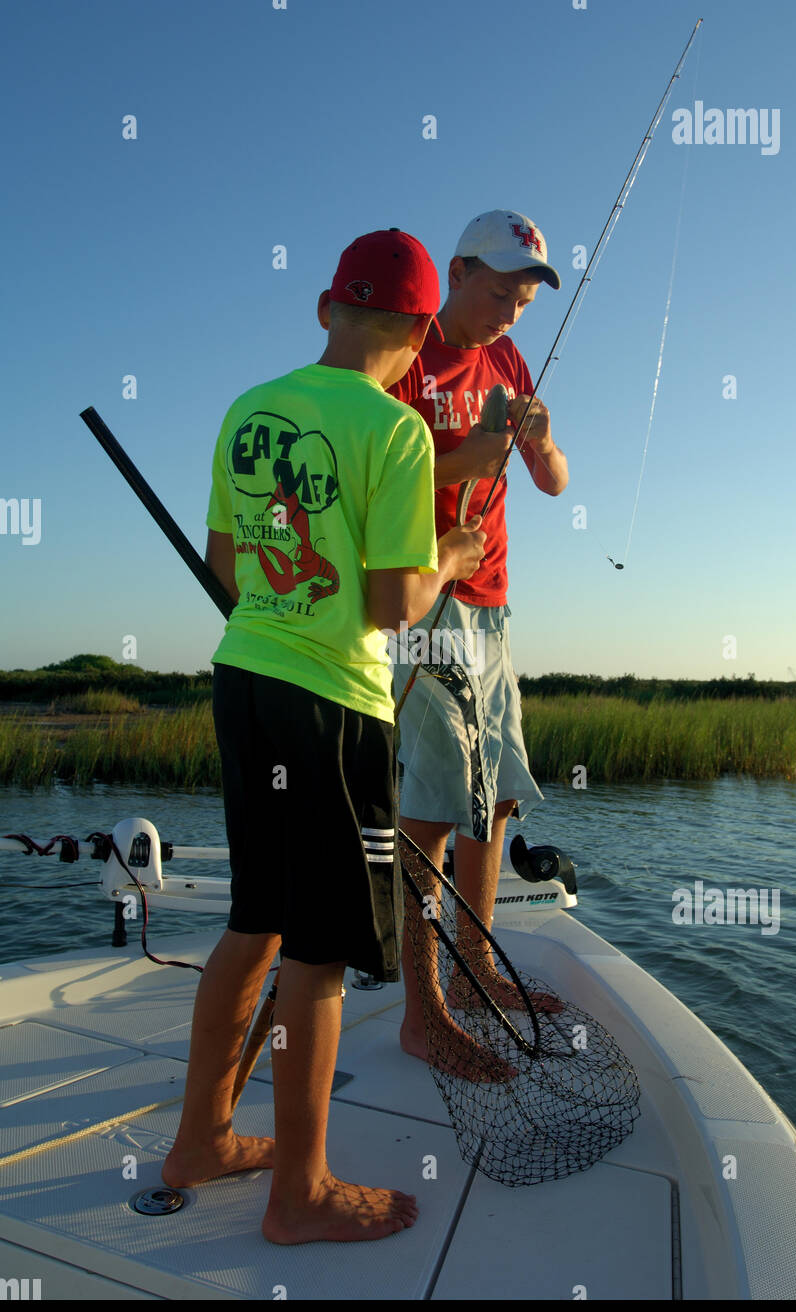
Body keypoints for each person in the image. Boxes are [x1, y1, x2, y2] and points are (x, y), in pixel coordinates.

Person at [161, 228, 486, 1244]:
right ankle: (298, 1193)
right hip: (331, 706)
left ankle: (201, 1140)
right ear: (425, 331)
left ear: (323, 309)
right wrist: (449, 551)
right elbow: (394, 606)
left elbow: (226, 567)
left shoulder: (247, 408)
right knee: (317, 954)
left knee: (253, 919)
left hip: (243, 680)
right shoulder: (392, 433)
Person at [387, 210, 569, 1067]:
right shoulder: (406, 351)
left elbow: (552, 479)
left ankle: (475, 970)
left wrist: (535, 442)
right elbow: (378, 466)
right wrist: (476, 449)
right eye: (497, 291)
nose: (508, 312)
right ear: (455, 273)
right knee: (428, 806)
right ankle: (422, 1011)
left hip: (492, 604)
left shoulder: (507, 358)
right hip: (424, 600)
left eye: (524, 300)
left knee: (491, 795)